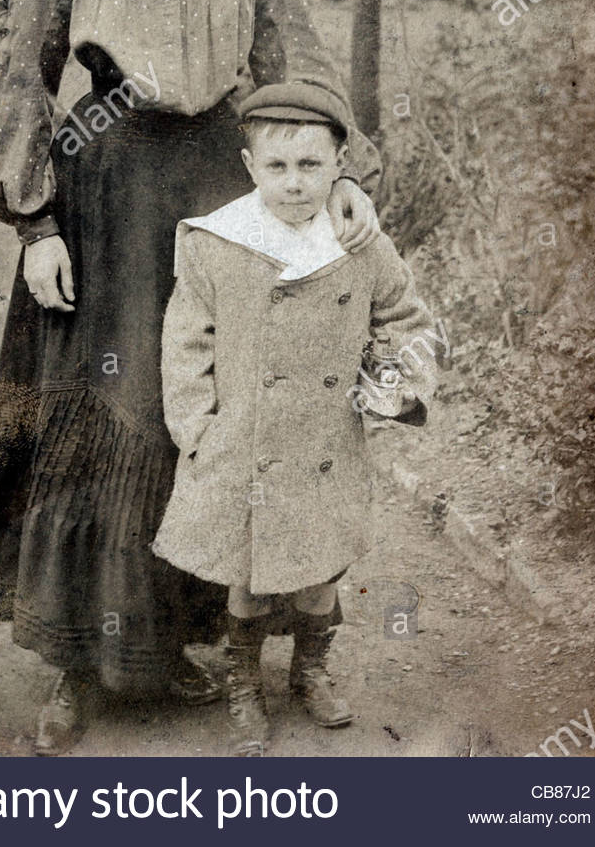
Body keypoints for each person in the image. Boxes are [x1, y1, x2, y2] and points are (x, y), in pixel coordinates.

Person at [0, 0, 382, 755]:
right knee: (98, 412)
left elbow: (303, 69)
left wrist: (337, 184)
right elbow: (21, 81)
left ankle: (201, 640)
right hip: (101, 195)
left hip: (222, 196)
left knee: (216, 415)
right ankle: (74, 662)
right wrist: (37, 222)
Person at [152, 81, 436, 756]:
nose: (294, 183)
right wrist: (197, 428)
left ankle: (311, 667)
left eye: (311, 166)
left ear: (340, 164)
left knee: (319, 570)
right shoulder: (216, 242)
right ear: (251, 168)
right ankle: (243, 681)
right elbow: (185, 339)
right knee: (247, 578)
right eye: (277, 167)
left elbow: (406, 318)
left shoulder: (360, 246)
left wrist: (391, 382)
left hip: (326, 437)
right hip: (244, 440)